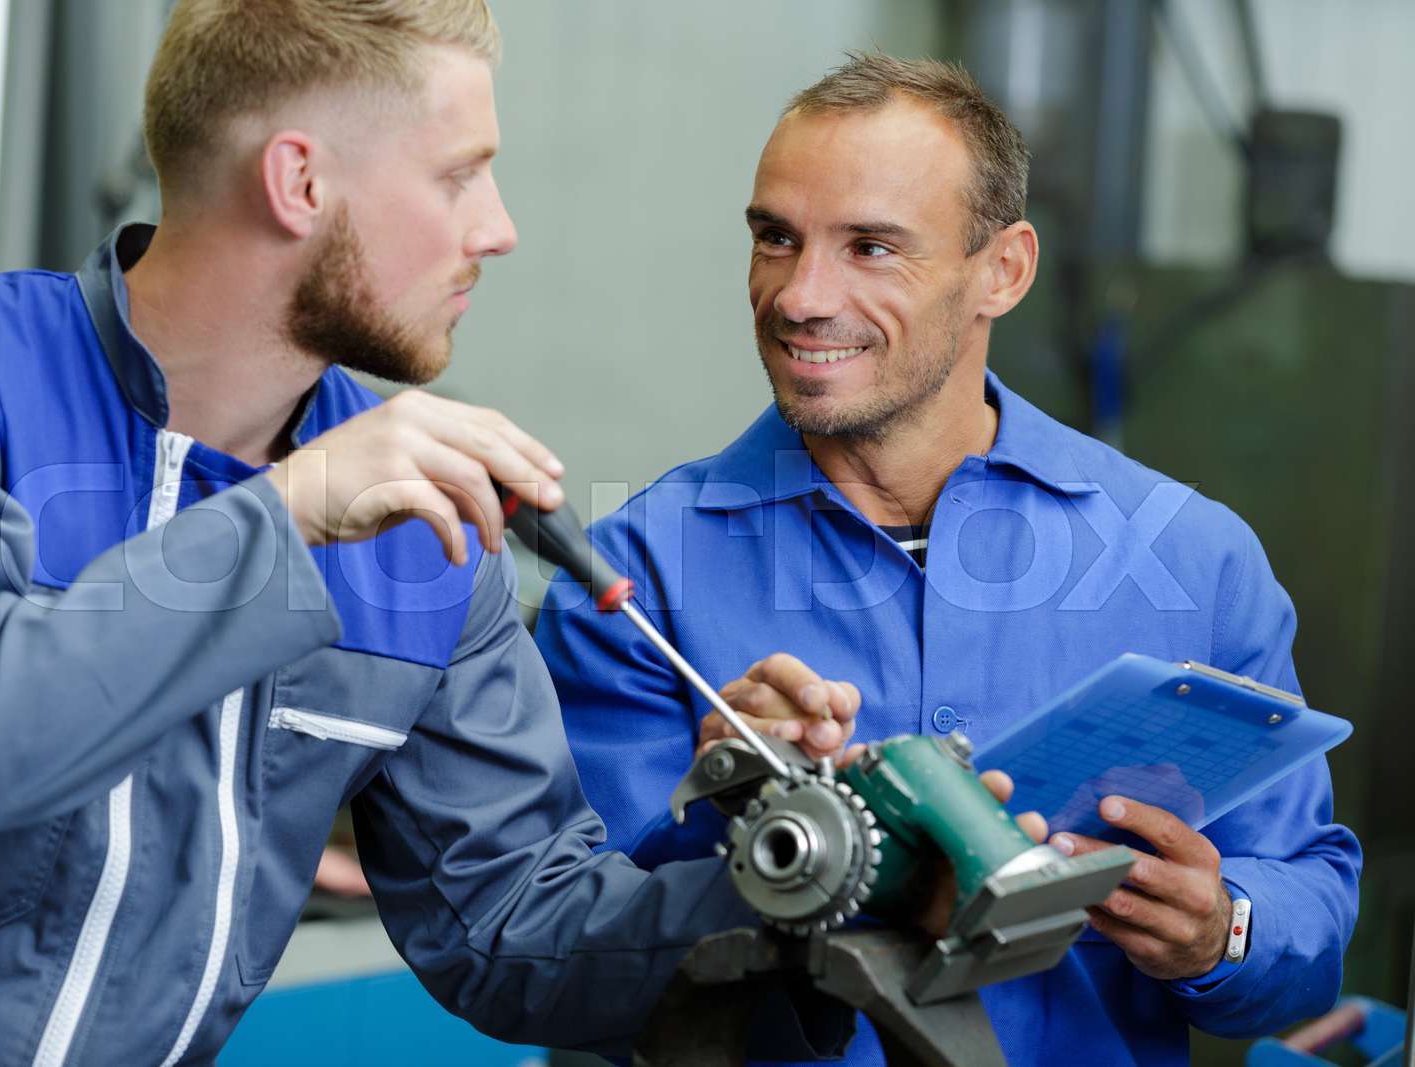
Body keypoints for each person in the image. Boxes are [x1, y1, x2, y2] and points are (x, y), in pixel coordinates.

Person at [0, 3, 860, 1063]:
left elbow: (513, 930)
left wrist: (803, 880)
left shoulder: (425, 526)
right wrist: (289, 512)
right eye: (458, 174)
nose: (496, 227)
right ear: (300, 183)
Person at [534, 53, 1361, 1067]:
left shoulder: (1193, 558)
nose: (800, 296)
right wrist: (722, 818)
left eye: (870, 247)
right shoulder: (636, 574)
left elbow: (1308, 914)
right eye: (775, 238)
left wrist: (1220, 928)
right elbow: (563, 958)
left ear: (1002, 271)